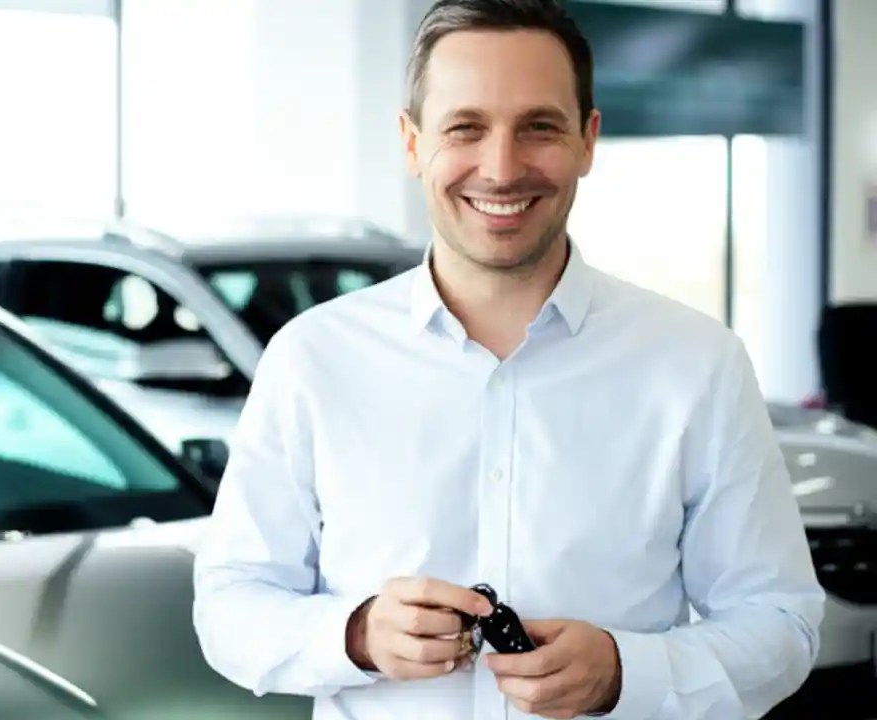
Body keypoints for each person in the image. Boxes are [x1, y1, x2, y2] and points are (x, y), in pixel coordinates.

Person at [191, 0, 825, 717]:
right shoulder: (311, 360)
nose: (501, 168)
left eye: (539, 128)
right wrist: (357, 633)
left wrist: (628, 671)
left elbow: (782, 625)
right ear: (411, 142)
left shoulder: (696, 363)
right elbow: (229, 608)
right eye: (465, 127)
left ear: (589, 140)